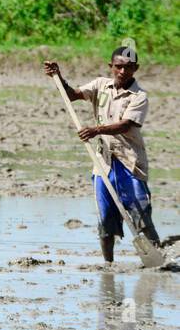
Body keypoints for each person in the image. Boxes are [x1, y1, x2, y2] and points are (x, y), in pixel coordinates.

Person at [44, 47, 162, 262]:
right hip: (103, 164)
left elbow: (125, 125)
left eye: (128, 67)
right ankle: (108, 266)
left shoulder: (139, 96)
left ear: (136, 68)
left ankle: (156, 260)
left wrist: (96, 130)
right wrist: (58, 76)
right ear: (111, 67)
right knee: (106, 218)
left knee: (141, 217)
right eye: (118, 66)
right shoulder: (100, 85)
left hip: (129, 163)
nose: (122, 71)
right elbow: (72, 95)